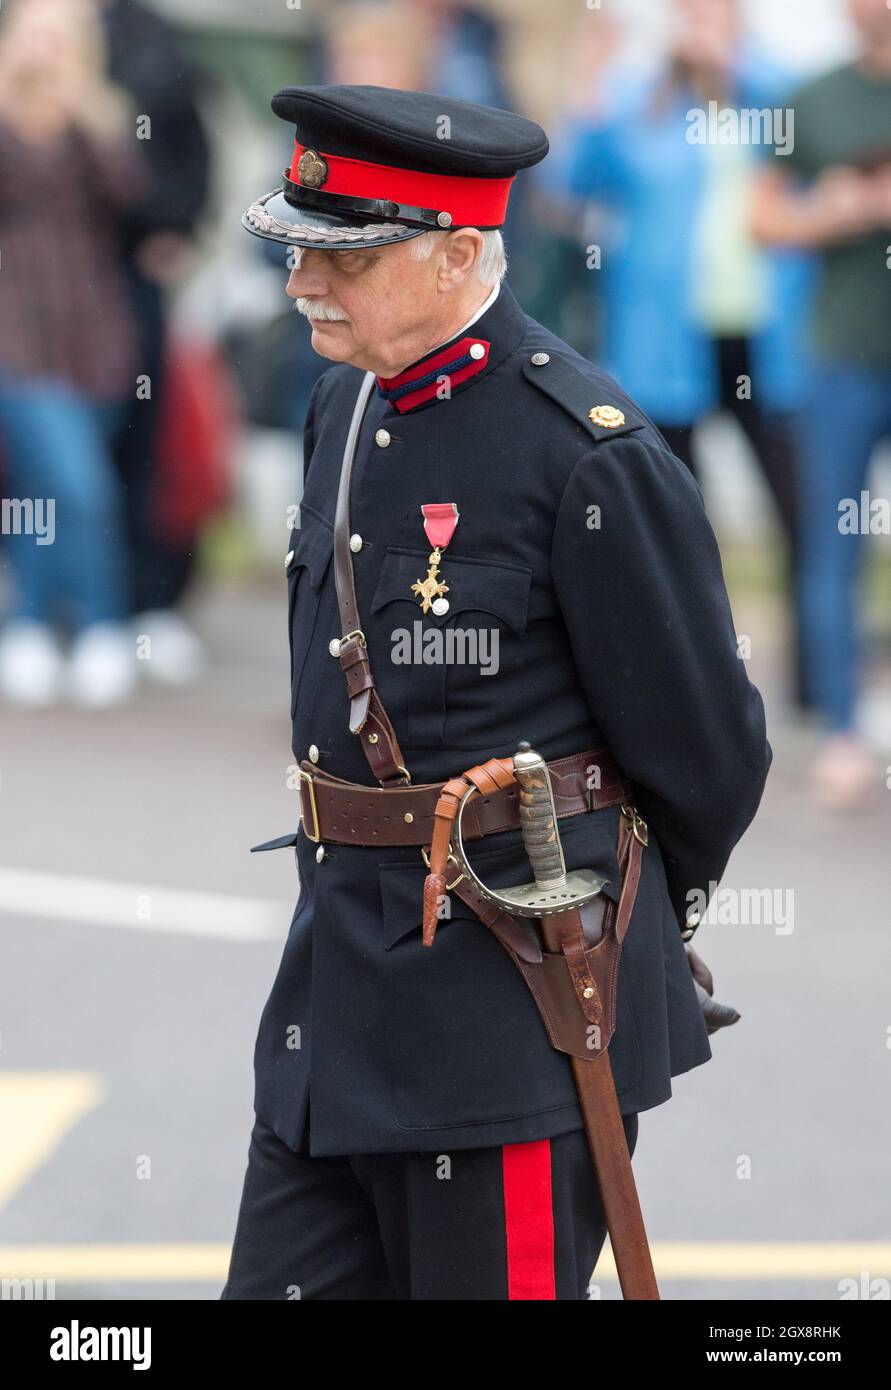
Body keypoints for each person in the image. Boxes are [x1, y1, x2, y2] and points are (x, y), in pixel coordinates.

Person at [221, 83, 771, 1301]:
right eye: (302, 251)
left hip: (509, 1016)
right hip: (336, 1007)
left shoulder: (587, 451)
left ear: (459, 253)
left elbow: (709, 758)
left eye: (342, 260)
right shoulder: (340, 400)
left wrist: (616, 930)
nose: (305, 284)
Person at [549, 0, 815, 707]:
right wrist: (588, 87)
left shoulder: (775, 93)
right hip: (663, 344)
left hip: (765, 340)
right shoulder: (639, 101)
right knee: (674, 523)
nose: (696, 24)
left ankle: (817, 689)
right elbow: (567, 186)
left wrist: (734, 72)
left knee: (802, 512)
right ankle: (691, 686)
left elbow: (810, 147)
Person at [750, 0, 891, 808]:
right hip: (840, 360)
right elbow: (759, 216)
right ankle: (841, 730)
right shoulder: (810, 99)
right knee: (831, 543)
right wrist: (831, 209)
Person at [0, 0, 145, 706]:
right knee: (79, 485)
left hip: (95, 331)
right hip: (16, 329)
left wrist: (82, 106)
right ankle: (98, 625)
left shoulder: (102, 116)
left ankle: (30, 626)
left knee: (47, 490)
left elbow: (133, 197)